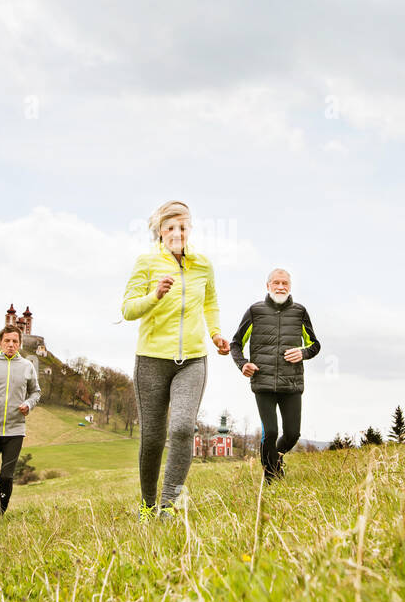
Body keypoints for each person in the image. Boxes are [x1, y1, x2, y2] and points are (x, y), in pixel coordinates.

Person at [121, 200, 229, 520]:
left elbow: (211, 304)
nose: (177, 233)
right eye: (171, 228)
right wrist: (154, 295)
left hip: (193, 359)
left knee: (182, 428)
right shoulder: (146, 263)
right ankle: (147, 504)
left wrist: (216, 334)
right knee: (153, 438)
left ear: (190, 229)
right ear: (160, 232)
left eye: (183, 227)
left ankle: (167, 506)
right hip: (152, 360)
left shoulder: (203, 265)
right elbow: (127, 310)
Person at [230, 267, 322, 484]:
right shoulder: (255, 311)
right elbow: (236, 343)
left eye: (285, 284)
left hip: (291, 383)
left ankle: (275, 459)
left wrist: (303, 353)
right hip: (263, 382)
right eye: (276, 283)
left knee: (292, 434)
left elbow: (315, 345)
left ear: (290, 287)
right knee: (270, 432)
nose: (281, 287)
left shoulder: (300, 312)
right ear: (268, 286)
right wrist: (242, 364)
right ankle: (271, 478)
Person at [0, 323, 41, 517]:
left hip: (15, 431)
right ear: (0, 342)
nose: (11, 344)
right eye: (7, 340)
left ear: (20, 343)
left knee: (6, 477)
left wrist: (28, 405)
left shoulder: (27, 366)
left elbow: (36, 392)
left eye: (15, 341)